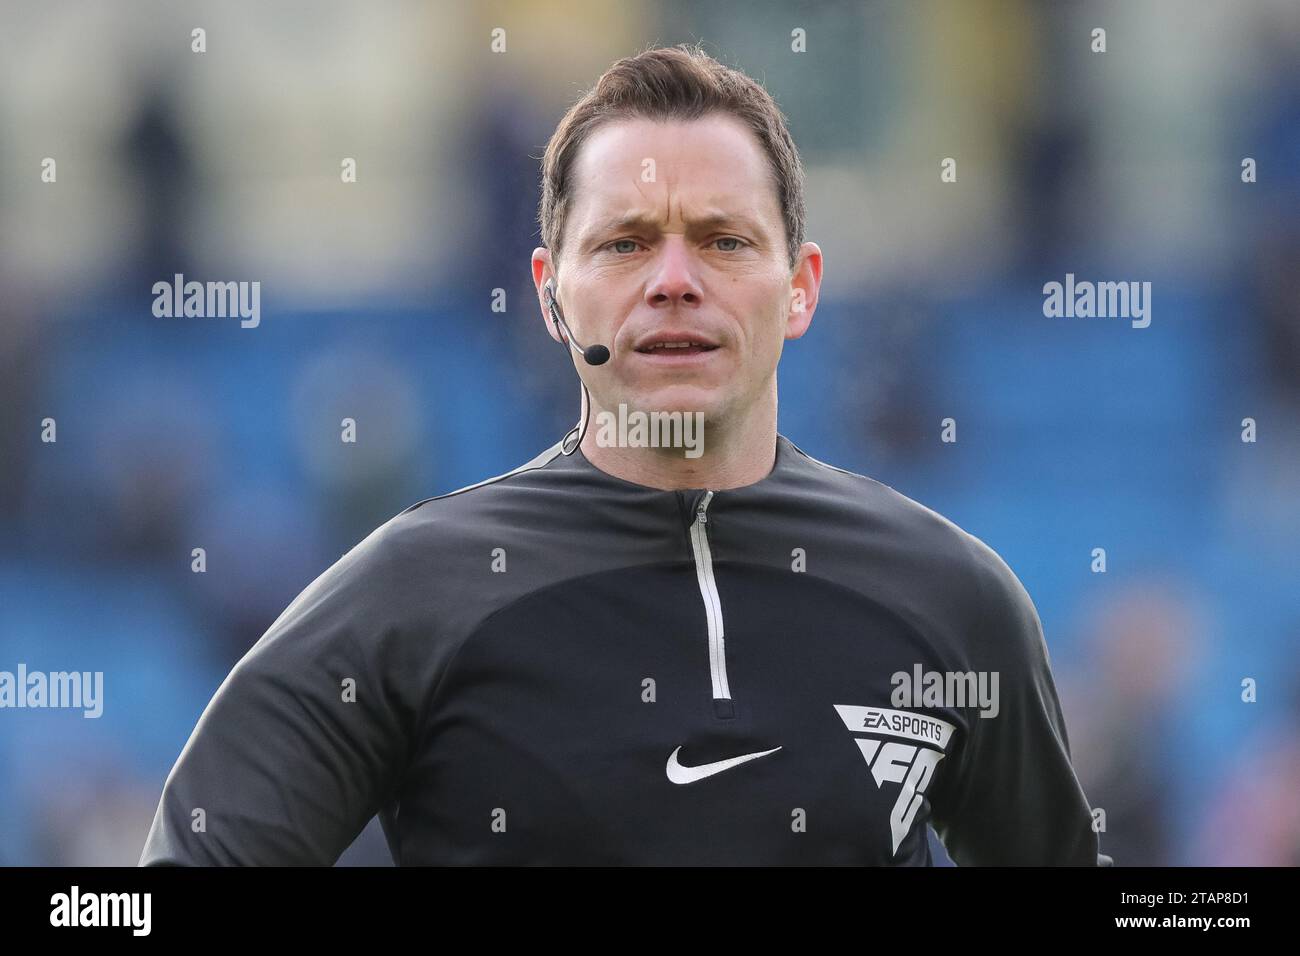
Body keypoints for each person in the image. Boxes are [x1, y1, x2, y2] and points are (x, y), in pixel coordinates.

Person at [140, 43, 1110, 866]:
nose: (675, 282)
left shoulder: (950, 596)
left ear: (802, 286)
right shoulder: (413, 593)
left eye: (725, 241)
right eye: (625, 244)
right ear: (550, 295)